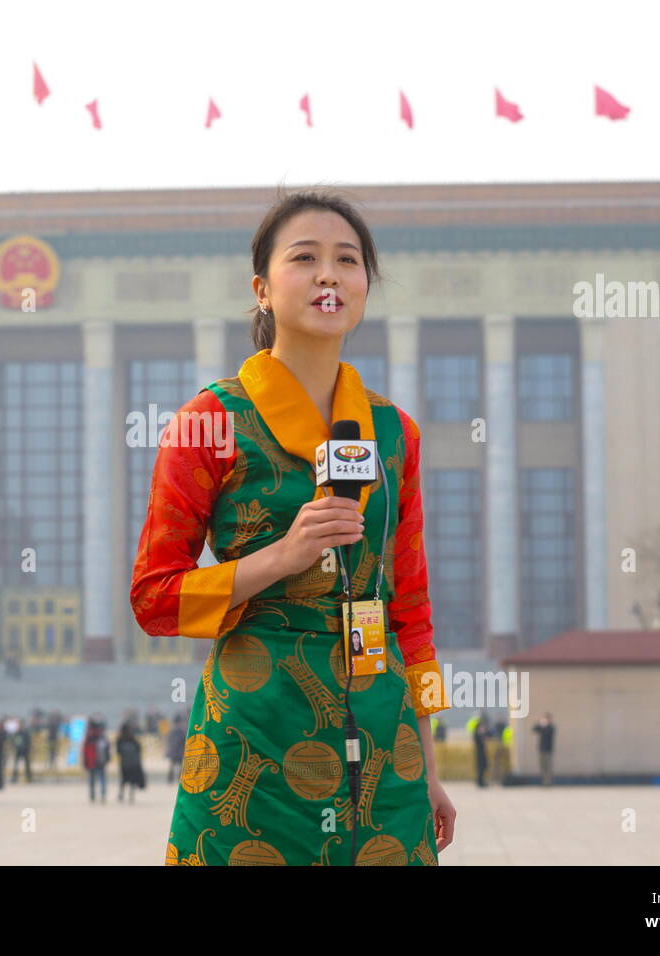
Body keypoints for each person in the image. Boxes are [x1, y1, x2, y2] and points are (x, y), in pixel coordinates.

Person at [131, 190, 455, 865]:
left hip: (383, 746)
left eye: (348, 260)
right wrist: (284, 556)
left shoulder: (396, 433)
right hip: (254, 735)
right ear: (262, 289)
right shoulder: (208, 423)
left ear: (367, 284)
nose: (329, 275)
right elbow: (156, 597)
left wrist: (429, 763)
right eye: (305, 258)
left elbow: (412, 613)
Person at [116, 721, 146, 803]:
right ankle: (131, 796)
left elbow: (118, 751)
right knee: (132, 780)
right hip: (133, 763)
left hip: (124, 763)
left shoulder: (120, 739)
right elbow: (139, 749)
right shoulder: (133, 739)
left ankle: (121, 794)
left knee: (123, 779)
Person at [82, 720, 110, 803]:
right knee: (100, 778)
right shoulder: (100, 737)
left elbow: (85, 751)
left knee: (93, 779)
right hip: (98, 761)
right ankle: (101, 794)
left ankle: (94, 795)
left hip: (94, 761)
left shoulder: (90, 737)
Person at [532, 713, 556, 786]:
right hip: (541, 749)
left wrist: (544, 726)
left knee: (548, 766)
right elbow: (534, 729)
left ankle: (548, 781)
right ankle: (544, 781)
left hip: (548, 750)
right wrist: (539, 722)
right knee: (542, 766)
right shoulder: (542, 728)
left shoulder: (551, 728)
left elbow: (548, 733)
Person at [165, 711, 186, 784]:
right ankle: (178, 779)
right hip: (179, 751)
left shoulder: (171, 730)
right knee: (179, 766)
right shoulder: (181, 731)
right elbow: (183, 741)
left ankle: (170, 779)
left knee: (172, 766)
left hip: (173, 750)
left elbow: (168, 740)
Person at [10, 718, 32, 784]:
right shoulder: (16, 733)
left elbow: (28, 741)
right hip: (18, 750)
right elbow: (13, 741)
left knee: (27, 765)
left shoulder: (25, 732)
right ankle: (14, 777)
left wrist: (26, 747)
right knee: (16, 765)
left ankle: (28, 777)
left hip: (25, 750)